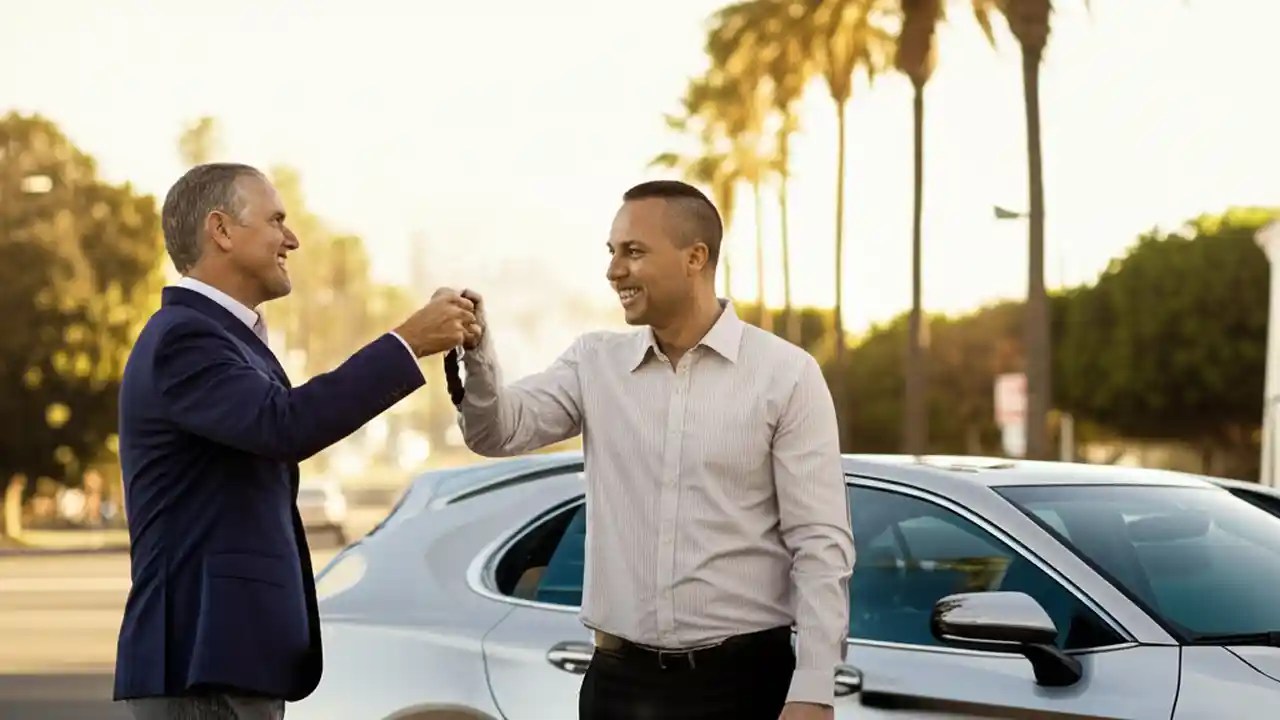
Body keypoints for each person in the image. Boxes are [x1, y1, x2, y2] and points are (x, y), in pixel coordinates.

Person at [454, 180, 855, 720]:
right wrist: (478, 351)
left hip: (746, 688)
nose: (613, 270)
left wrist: (812, 688)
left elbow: (820, 543)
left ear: (695, 258)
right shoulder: (594, 363)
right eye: (612, 252)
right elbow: (497, 431)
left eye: (633, 252)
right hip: (618, 689)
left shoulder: (785, 375)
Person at [113, 162, 477, 720]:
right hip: (201, 665)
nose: (292, 239)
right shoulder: (185, 338)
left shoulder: (221, 338)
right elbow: (284, 425)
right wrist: (406, 344)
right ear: (222, 230)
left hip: (225, 662)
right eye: (276, 220)